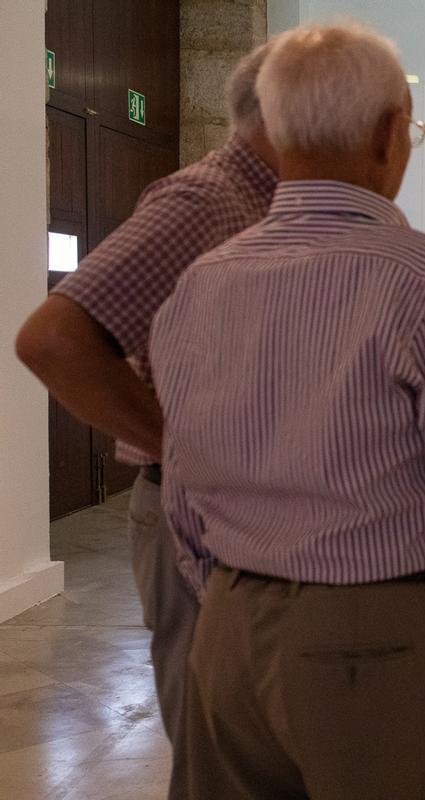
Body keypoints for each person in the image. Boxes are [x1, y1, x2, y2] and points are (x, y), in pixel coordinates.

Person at [147, 24, 425, 798]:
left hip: (229, 627)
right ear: (391, 132)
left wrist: (223, 592)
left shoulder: (205, 280)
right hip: (369, 637)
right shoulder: (421, 275)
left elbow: (180, 462)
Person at [14, 43, 279, 799]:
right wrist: (186, 447)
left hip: (244, 511)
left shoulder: (266, 206)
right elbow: (54, 339)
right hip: (192, 509)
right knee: (217, 741)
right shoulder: (204, 201)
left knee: (251, 735)